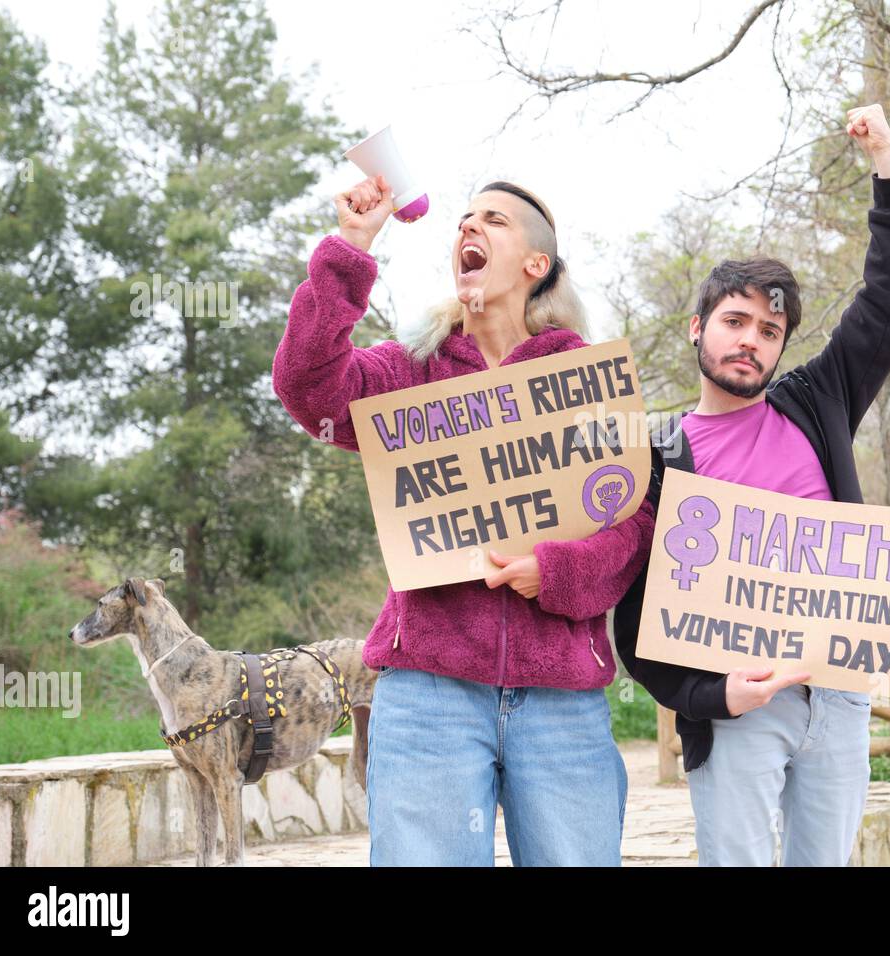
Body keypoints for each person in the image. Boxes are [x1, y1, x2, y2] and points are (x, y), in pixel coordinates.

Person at [272, 173, 655, 866]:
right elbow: (308, 388)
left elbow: (634, 517)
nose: (468, 228)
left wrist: (559, 571)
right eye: (464, 220)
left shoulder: (584, 377)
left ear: (536, 265)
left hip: (561, 698)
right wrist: (349, 248)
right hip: (428, 695)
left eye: (495, 221)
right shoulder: (410, 371)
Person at [614, 103, 890, 866]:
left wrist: (886, 167)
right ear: (698, 328)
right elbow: (636, 619)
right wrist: (714, 699)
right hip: (739, 709)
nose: (751, 339)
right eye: (735, 321)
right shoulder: (657, 454)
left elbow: (889, 308)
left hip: (838, 693)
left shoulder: (820, 401)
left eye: (769, 330)